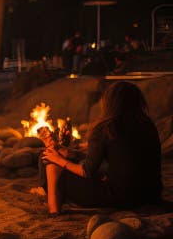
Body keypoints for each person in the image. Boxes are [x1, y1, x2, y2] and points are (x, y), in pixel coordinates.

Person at [40, 81, 162, 215]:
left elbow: (87, 171)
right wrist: (69, 152)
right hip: (150, 194)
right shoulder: (147, 125)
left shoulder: (106, 128)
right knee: (59, 158)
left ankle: (53, 211)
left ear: (109, 103)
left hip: (121, 198)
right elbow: (119, 158)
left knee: (49, 160)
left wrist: (58, 159)